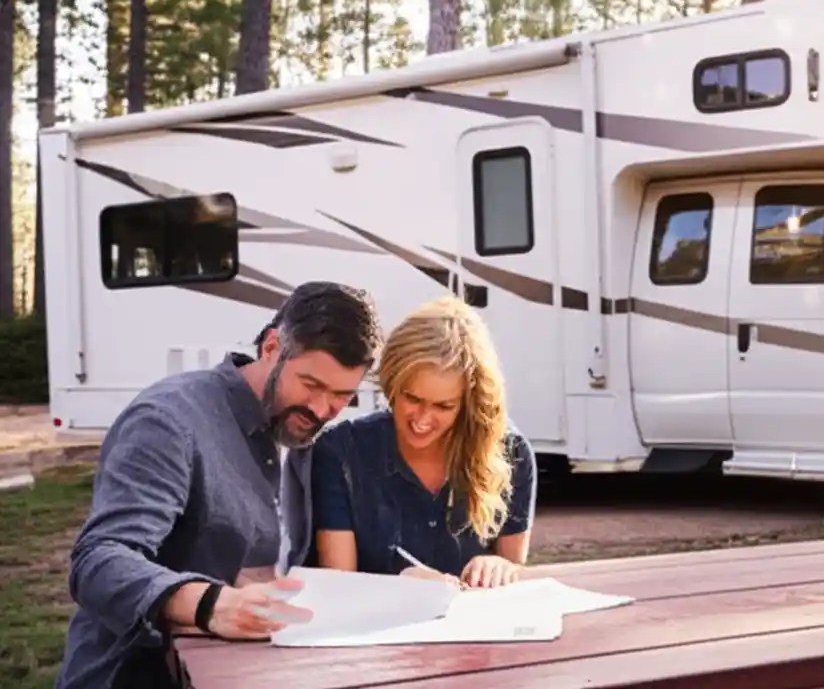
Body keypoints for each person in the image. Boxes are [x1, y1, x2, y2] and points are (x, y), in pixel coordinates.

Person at [56, 281, 382, 689]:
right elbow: (98, 561)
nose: (321, 409)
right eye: (311, 385)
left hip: (261, 672)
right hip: (140, 674)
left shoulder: (302, 430)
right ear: (271, 347)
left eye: (342, 395)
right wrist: (210, 604)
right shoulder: (170, 422)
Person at [311, 295, 536, 589]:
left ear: (469, 403)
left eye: (444, 406)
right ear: (392, 383)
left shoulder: (510, 453)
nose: (422, 419)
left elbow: (515, 570)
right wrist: (398, 585)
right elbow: (338, 586)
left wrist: (499, 566)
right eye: (412, 398)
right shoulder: (340, 452)